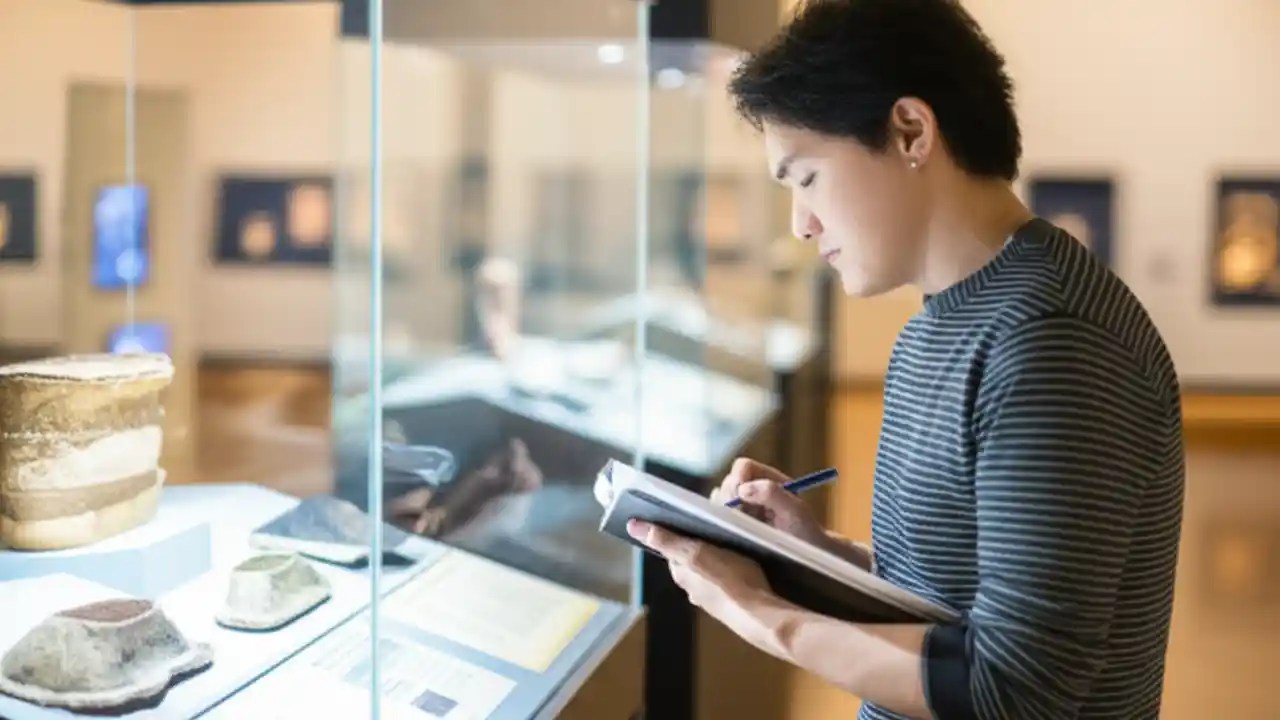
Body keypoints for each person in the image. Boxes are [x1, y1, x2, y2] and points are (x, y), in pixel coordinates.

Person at [625, 1, 1186, 719]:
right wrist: (813, 551)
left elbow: (1012, 691)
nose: (801, 224)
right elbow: (957, 597)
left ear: (910, 132)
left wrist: (755, 610)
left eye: (806, 178)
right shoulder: (946, 321)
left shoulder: (1053, 338)